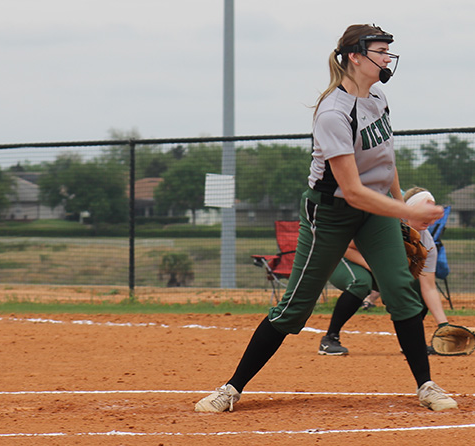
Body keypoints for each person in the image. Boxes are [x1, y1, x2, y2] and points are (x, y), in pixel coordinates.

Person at [195, 24, 458, 413]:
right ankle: (231, 389)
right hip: (330, 214)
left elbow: (386, 161)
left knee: (402, 290)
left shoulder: (379, 97)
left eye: (388, 51)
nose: (388, 58)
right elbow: (351, 190)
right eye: (380, 51)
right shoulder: (333, 113)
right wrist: (407, 210)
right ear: (355, 56)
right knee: (295, 307)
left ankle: (427, 385)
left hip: (377, 211)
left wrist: (401, 209)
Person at [319, 187, 452, 356]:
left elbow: (429, 288)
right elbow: (347, 247)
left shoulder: (427, 243)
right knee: (361, 282)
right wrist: (377, 268)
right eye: (425, 209)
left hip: (378, 266)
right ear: (409, 208)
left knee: (417, 288)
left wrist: (443, 325)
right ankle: (329, 339)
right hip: (343, 259)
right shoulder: (387, 226)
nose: (430, 216)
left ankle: (411, 342)